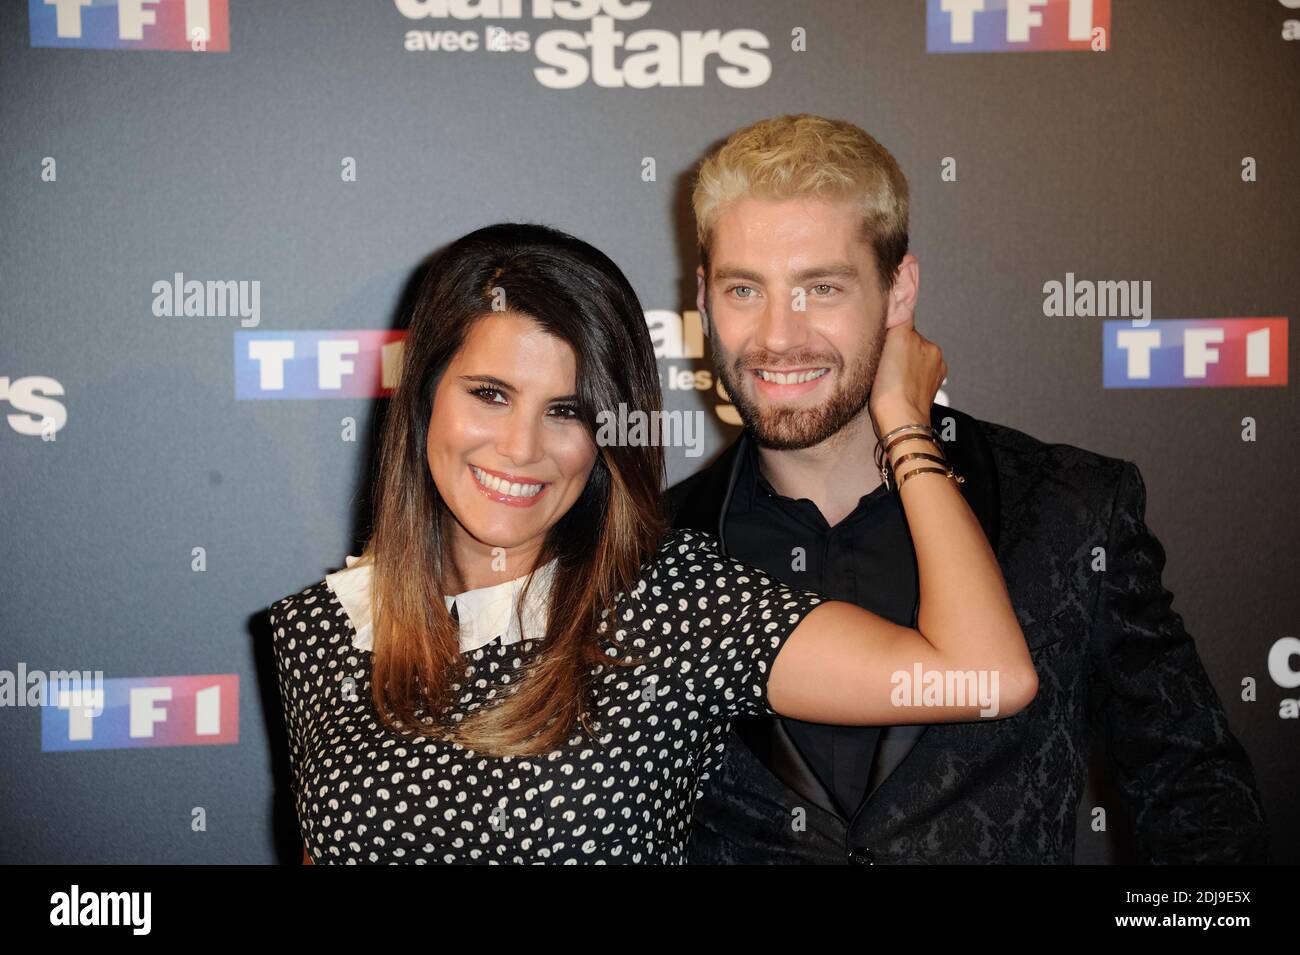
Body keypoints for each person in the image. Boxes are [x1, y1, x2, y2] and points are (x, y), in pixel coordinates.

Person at [267, 221, 1036, 864]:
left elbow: (984, 674)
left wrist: (904, 421)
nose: (519, 448)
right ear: (426, 395)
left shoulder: (670, 604)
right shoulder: (319, 630)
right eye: (490, 394)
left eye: (566, 411)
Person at [667, 113, 1271, 864]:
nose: (778, 336)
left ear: (898, 290)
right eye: (744, 289)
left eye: (821, 287)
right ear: (703, 297)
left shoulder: (1069, 508)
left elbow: (1200, 807)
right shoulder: (645, 551)